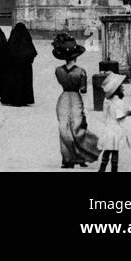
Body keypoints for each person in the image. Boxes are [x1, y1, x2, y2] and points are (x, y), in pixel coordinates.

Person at [52, 32, 99, 168]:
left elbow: (61, 82)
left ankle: (67, 159)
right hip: (76, 98)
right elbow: (83, 90)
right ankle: (82, 156)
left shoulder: (58, 70)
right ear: (76, 56)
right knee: (78, 127)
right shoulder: (81, 71)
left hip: (63, 98)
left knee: (64, 129)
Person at [97, 72, 131, 172]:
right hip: (116, 130)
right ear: (117, 90)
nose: (123, 88)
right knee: (115, 151)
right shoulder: (119, 102)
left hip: (107, 128)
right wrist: (128, 112)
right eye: (121, 87)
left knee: (107, 151)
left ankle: (102, 169)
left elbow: (104, 116)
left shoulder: (106, 101)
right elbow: (121, 115)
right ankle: (114, 169)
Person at [1, 22, 37, 106]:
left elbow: (8, 51)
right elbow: (32, 52)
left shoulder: (13, 38)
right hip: (25, 67)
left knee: (13, 81)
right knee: (24, 82)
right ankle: (24, 99)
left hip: (14, 66)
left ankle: (11, 98)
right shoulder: (26, 37)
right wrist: (27, 60)